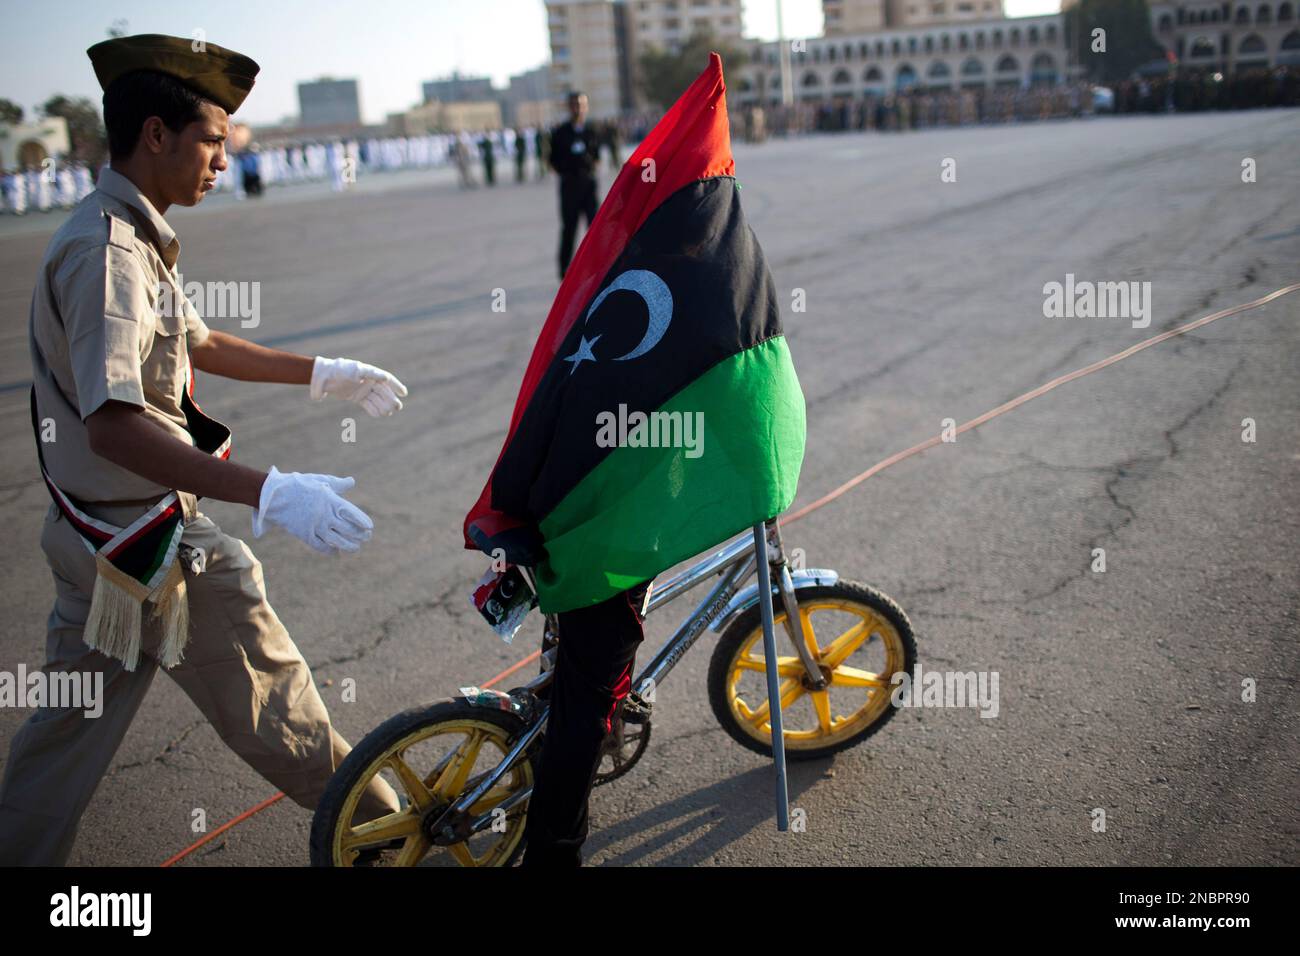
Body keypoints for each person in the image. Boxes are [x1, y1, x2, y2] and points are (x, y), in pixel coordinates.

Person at [0, 32, 409, 866]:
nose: (223, 159)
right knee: (280, 704)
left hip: (92, 541)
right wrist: (269, 492)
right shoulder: (110, 254)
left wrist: (321, 374)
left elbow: (198, 341)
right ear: (157, 135)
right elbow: (113, 423)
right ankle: (394, 833)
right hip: (154, 550)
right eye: (213, 140)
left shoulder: (123, 230)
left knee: (63, 737)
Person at [520, 581, 651, 867]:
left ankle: (543, 754)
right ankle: (552, 857)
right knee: (586, 714)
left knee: (573, 672)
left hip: (561, 551)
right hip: (607, 563)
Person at [549, 91, 601, 279]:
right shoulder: (560, 133)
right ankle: (564, 272)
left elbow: (597, 156)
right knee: (569, 229)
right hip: (570, 187)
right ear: (569, 107)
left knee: (594, 229)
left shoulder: (591, 131)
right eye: (574, 104)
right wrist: (569, 167)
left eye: (581, 104)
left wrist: (587, 165)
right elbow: (553, 160)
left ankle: (597, 269)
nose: (577, 108)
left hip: (589, 186)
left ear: (586, 107)